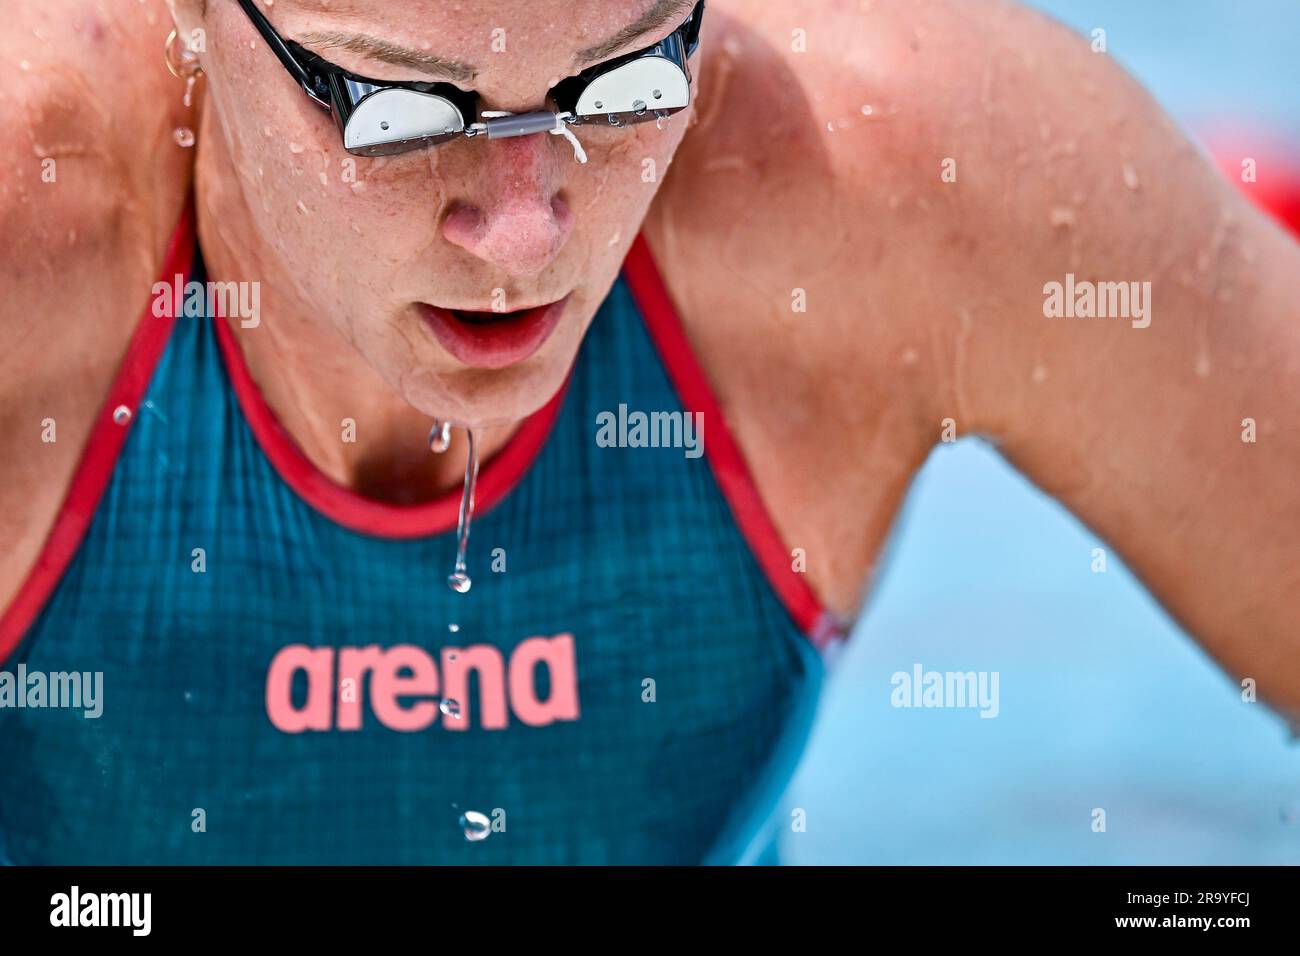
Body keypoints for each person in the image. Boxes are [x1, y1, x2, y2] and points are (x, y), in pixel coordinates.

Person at [1, 0, 1296, 864]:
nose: (524, 231)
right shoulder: (28, 239)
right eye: (394, 113)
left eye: (619, 86)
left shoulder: (909, 178)